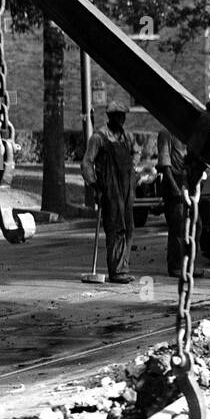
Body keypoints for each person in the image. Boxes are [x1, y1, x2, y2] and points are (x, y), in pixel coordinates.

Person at [80, 98, 137, 283]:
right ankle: (116, 271)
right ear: (109, 117)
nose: (121, 120)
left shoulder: (127, 138)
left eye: (123, 117)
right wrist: (94, 185)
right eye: (117, 117)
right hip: (110, 189)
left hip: (127, 187)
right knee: (115, 228)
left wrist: (134, 169)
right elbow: (87, 163)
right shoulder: (99, 137)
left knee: (128, 228)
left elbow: (137, 151)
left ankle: (124, 267)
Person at [157, 127, 194, 280]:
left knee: (192, 228)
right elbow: (165, 166)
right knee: (178, 227)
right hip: (174, 185)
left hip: (187, 183)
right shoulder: (166, 134)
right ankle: (176, 266)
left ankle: (189, 265)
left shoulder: (189, 135)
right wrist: (175, 189)